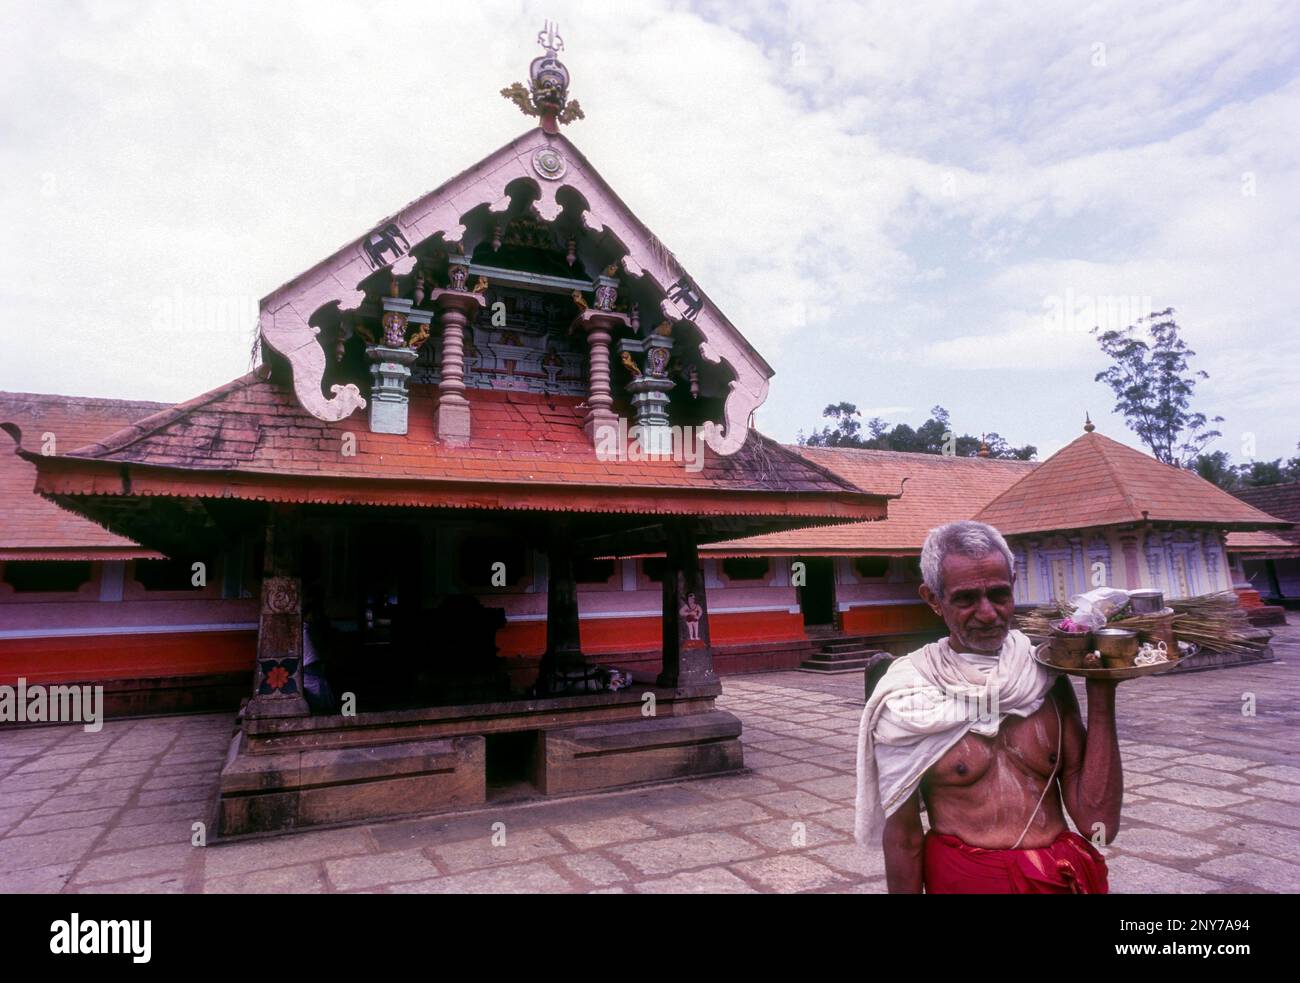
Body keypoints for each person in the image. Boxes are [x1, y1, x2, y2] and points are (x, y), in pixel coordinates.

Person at [854, 520, 1121, 893]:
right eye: (965, 599)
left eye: (998, 594)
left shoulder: (1044, 675)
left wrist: (1102, 692)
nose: (988, 613)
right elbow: (904, 839)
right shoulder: (908, 694)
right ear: (933, 599)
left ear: (1013, 583)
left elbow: (1099, 825)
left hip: (1058, 879)